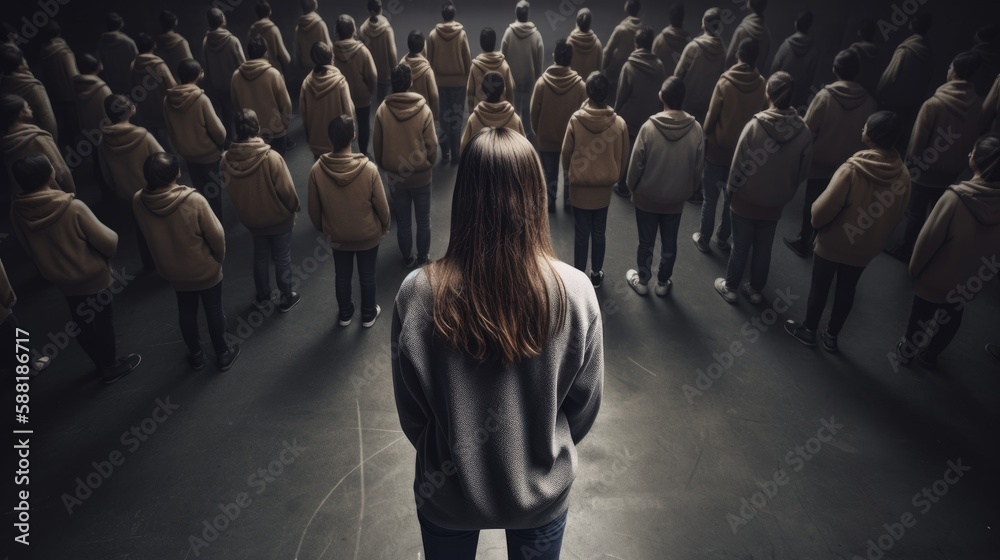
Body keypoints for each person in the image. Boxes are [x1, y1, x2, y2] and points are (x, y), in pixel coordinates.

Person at [391, 126, 603, 559]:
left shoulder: (416, 294)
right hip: (539, 495)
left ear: (463, 199)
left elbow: (413, 412)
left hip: (447, 493)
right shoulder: (576, 291)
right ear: (535, 197)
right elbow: (583, 408)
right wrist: (535, 446)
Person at [784, 112, 911, 351]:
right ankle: (831, 337)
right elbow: (897, 216)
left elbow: (821, 211)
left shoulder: (852, 169)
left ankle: (809, 329)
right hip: (866, 247)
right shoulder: (904, 176)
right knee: (847, 289)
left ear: (872, 136)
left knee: (820, 287)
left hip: (833, 243)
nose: (862, 127)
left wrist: (816, 223)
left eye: (866, 126)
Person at [10, 154, 140, 383]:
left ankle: (99, 362)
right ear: (47, 173)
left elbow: (27, 247)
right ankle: (110, 366)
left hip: (61, 279)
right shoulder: (72, 206)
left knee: (81, 320)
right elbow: (108, 241)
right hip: (93, 275)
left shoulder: (18, 211)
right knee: (103, 321)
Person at [896, 135, 1000, 369]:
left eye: (972, 152)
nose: (969, 154)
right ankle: (931, 355)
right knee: (952, 316)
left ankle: (906, 352)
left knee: (920, 317)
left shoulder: (954, 198)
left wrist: (915, 270)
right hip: (969, 282)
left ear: (978, 161)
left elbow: (929, 240)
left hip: (934, 278)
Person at [133, 152, 240, 371]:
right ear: (177, 173)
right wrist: (217, 259)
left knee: (186, 311)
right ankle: (222, 353)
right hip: (204, 269)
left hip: (172, 271)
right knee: (213, 310)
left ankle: (196, 355)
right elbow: (217, 235)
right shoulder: (193, 200)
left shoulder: (139, 201)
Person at [715, 72, 812, 304]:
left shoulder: (755, 126)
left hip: (745, 199)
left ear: (767, 92)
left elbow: (738, 164)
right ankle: (756, 291)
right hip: (775, 202)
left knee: (740, 246)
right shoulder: (804, 132)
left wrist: (731, 190)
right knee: (763, 247)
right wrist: (786, 192)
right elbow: (803, 172)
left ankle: (730, 287)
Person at [783, 49, 876, 258]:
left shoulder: (825, 96)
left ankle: (803, 240)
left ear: (834, 69)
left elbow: (807, 128)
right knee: (838, 205)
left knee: (813, 200)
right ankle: (822, 242)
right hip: (850, 165)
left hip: (820, 161)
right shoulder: (869, 101)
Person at [890, 51, 982, 261]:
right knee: (937, 214)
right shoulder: (976, 105)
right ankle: (927, 252)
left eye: (950, 67)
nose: (947, 70)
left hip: (925, 171)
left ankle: (905, 249)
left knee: (915, 213)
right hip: (952, 170)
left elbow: (917, 143)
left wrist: (910, 167)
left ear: (955, 72)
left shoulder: (933, 104)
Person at [309, 114, 389, 327]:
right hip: (368, 234)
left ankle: (345, 314)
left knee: (342, 275)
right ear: (353, 136)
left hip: (337, 235)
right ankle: (368, 314)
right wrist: (384, 226)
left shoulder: (317, 170)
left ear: (330, 139)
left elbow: (313, 209)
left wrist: (325, 229)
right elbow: (382, 206)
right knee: (367, 275)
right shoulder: (369, 169)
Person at [624, 77, 702, 296]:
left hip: (646, 197)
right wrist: (687, 190)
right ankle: (663, 282)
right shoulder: (695, 129)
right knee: (670, 242)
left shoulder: (649, 127)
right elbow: (698, 169)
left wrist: (633, 187)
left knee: (645, 242)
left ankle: (643, 281)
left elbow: (635, 164)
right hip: (676, 200)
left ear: (662, 97)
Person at [222, 109, 301, 312]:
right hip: (279, 218)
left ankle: (263, 295)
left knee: (260, 255)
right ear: (257, 127)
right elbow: (287, 190)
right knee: (282, 256)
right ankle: (286, 296)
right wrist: (294, 207)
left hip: (252, 219)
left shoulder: (226, 160)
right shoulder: (271, 157)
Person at [693, 38, 766, 254]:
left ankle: (704, 239)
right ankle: (722, 238)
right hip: (745, 153)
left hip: (718, 150)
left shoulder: (725, 82)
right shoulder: (762, 84)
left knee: (710, 197)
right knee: (730, 197)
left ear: (738, 54)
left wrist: (707, 135)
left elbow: (711, 116)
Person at [562, 72, 628, 288]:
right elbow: (624, 155)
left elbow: (566, 152)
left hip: (580, 187)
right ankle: (596, 274)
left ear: (587, 92)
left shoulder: (575, 120)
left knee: (581, 232)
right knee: (599, 231)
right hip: (604, 189)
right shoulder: (618, 123)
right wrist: (615, 175)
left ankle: (578, 277)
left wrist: (569, 173)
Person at [374, 64, 437, 267]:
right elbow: (432, 145)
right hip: (421, 176)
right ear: (410, 82)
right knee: (423, 220)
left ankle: (407, 257)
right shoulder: (423, 110)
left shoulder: (382, 111)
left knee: (403, 222)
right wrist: (428, 163)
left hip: (396, 177)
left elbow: (377, 145)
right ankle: (423, 257)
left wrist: (386, 165)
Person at [99, 94, 163, 272]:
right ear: (129, 110)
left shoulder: (104, 141)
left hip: (127, 194)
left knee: (141, 229)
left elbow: (106, 174)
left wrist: (119, 190)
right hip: (153, 190)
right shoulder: (143, 136)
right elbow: (162, 160)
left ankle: (149, 264)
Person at [163, 59, 227, 219]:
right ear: (200, 75)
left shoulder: (167, 100)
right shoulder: (201, 99)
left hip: (187, 154)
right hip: (209, 154)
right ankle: (216, 225)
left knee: (200, 189)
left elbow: (170, 128)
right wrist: (220, 144)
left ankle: (204, 221)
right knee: (214, 192)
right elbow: (219, 132)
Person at [531, 39, 587, 212]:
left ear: (554, 56)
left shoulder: (541, 84)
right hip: (571, 138)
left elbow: (534, 112)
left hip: (547, 137)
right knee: (570, 171)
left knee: (549, 174)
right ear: (571, 59)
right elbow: (583, 114)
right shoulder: (580, 86)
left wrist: (537, 130)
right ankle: (569, 201)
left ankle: (551, 203)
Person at [612, 27, 665, 199]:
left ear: (636, 44)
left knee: (628, 150)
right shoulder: (659, 67)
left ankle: (623, 184)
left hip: (630, 118)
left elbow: (621, 95)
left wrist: (615, 113)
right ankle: (640, 183)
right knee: (645, 149)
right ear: (651, 45)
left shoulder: (629, 66)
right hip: (650, 117)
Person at [876, 13, 932, 146]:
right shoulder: (929, 52)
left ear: (912, 25)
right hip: (911, 103)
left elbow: (889, 76)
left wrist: (879, 94)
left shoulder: (906, 49)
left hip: (893, 101)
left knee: (881, 137)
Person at [232, 35, 293, 154]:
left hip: (250, 135)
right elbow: (286, 105)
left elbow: (235, 105)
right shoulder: (273, 74)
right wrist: (282, 126)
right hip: (275, 131)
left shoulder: (236, 76)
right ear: (266, 53)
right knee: (276, 167)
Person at [1, 94, 74, 193]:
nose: (30, 109)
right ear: (20, 114)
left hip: (25, 201)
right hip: (53, 195)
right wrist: (70, 192)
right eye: (27, 107)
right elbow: (61, 170)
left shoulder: (5, 143)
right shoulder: (39, 138)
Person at [427, 1, 472, 163]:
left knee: (442, 119)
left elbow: (429, 62)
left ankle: (444, 153)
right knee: (457, 119)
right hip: (458, 83)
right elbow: (467, 60)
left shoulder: (433, 35)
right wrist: (468, 78)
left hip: (439, 83)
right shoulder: (461, 35)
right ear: (454, 15)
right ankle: (455, 153)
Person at [333, 15, 378, 156]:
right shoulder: (362, 50)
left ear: (337, 32)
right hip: (361, 96)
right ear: (353, 30)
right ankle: (363, 152)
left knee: (343, 126)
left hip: (342, 96)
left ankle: (345, 153)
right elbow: (373, 75)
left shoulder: (332, 50)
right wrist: (370, 90)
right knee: (364, 124)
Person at [300, 42, 353, 159]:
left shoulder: (306, 83)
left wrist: (309, 135)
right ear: (332, 58)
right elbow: (348, 111)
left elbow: (304, 114)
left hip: (316, 141)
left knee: (320, 172)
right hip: (339, 141)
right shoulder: (340, 82)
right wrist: (351, 134)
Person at [674, 8, 726, 125]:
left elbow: (677, 75)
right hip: (708, 105)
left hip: (687, 103)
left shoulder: (693, 47)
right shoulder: (722, 51)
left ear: (703, 23)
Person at [501, 0, 544, 140]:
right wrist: (538, 79)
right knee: (527, 111)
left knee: (513, 109)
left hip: (512, 80)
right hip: (529, 80)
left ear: (516, 14)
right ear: (528, 15)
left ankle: (513, 136)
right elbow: (539, 62)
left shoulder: (508, 33)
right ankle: (528, 138)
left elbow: (502, 57)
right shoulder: (536, 35)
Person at [202, 7, 245, 141]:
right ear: (221, 20)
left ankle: (228, 144)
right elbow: (242, 65)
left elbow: (205, 66)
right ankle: (243, 142)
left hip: (217, 86)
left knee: (226, 116)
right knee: (241, 114)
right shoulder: (232, 40)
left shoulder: (206, 42)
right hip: (234, 85)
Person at [0, 44, 58, 141]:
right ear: (20, 66)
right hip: (36, 137)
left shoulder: (3, 84)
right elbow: (48, 119)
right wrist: (52, 143)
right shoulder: (33, 87)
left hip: (11, 138)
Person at [130, 33, 175, 148]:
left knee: (154, 145)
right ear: (153, 46)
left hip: (146, 110)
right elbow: (172, 88)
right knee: (169, 145)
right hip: (162, 110)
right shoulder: (159, 65)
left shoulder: (134, 65)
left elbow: (134, 87)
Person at [37, 22, 79, 145]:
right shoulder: (64, 51)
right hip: (68, 90)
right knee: (72, 119)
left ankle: (65, 142)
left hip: (54, 90)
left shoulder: (43, 51)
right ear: (59, 33)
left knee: (61, 118)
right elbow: (73, 73)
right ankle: (74, 144)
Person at [461, 71, 523, 151]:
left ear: (483, 90)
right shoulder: (514, 119)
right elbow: (523, 149)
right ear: (503, 90)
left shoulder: (474, 120)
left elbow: (464, 147)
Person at [770, 11, 816, 110]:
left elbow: (774, 67)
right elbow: (809, 78)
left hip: (777, 92)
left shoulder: (787, 45)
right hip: (795, 97)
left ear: (796, 24)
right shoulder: (813, 50)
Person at [603, 0, 643, 106]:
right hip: (635, 71)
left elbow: (608, 51)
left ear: (627, 8)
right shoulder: (642, 30)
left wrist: (602, 66)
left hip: (617, 71)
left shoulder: (621, 29)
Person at [467, 28, 514, 114]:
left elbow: (470, 91)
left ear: (481, 43)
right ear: (494, 43)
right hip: (501, 112)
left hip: (481, 113)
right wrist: (509, 111)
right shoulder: (504, 65)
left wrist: (471, 112)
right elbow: (510, 90)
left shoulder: (475, 67)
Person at [359, 0, 396, 107]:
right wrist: (395, 72)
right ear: (381, 9)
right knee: (385, 104)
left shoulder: (363, 29)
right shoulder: (387, 29)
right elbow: (392, 53)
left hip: (369, 74)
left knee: (372, 105)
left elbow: (361, 54)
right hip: (385, 75)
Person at [72, 54, 112, 141]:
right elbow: (109, 115)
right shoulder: (103, 89)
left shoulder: (76, 87)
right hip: (105, 137)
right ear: (98, 66)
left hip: (87, 136)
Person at [97, 12, 137, 96]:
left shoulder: (101, 44)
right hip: (129, 85)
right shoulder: (128, 42)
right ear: (121, 24)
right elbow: (137, 62)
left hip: (110, 86)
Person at [402, 31, 439, 121]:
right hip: (424, 116)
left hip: (406, 114)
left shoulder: (401, 67)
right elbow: (434, 96)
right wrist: (435, 118)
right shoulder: (427, 71)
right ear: (423, 47)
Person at [726, 0, 771, 72]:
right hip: (756, 78)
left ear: (750, 4)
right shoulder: (766, 34)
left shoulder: (741, 30)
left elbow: (729, 58)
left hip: (737, 75)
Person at [249, 0, 291, 77]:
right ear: (269, 12)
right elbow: (285, 58)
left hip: (257, 75)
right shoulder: (273, 29)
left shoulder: (252, 31)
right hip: (274, 73)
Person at [295, 0, 332, 73]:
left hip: (305, 70)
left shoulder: (298, 28)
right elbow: (329, 47)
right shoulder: (320, 25)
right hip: (321, 69)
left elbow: (297, 52)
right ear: (315, 5)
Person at [652, 4, 689, 76]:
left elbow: (653, 65)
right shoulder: (689, 41)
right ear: (682, 18)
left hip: (662, 84)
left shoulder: (659, 39)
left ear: (670, 18)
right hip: (680, 85)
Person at [156, 11, 193, 83]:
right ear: (175, 23)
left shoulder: (156, 43)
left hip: (163, 85)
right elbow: (191, 66)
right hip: (182, 84)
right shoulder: (181, 42)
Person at [567, 9, 603, 82]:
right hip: (590, 89)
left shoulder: (570, 42)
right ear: (590, 23)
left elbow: (565, 68)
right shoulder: (597, 44)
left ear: (577, 22)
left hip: (574, 87)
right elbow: (599, 71)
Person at [847, 19, 880, 97]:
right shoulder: (877, 51)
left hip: (853, 88)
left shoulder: (854, 49)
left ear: (860, 32)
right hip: (868, 91)